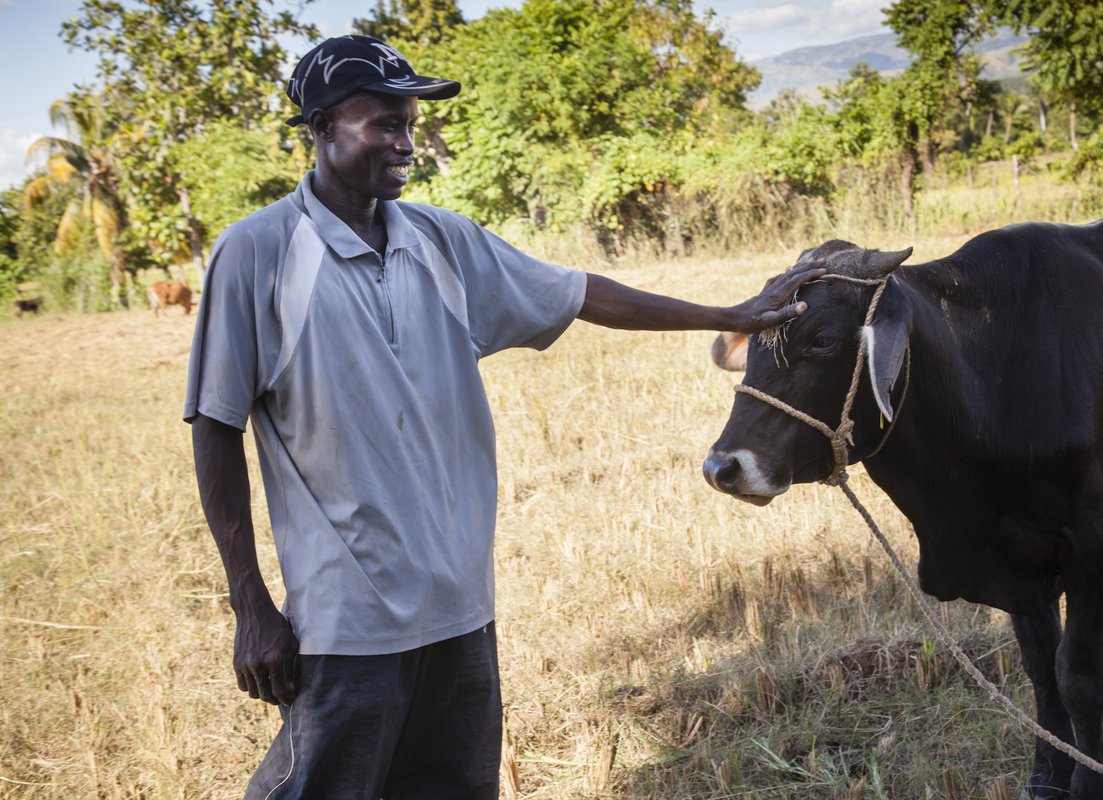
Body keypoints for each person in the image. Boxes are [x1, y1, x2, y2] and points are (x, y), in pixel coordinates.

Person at [186, 34, 824, 800]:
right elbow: (215, 425)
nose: (405, 142)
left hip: (461, 612)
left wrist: (727, 313)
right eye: (383, 124)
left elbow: (582, 293)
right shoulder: (256, 253)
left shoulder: (442, 241)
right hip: (345, 627)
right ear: (321, 128)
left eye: (410, 124)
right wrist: (250, 604)